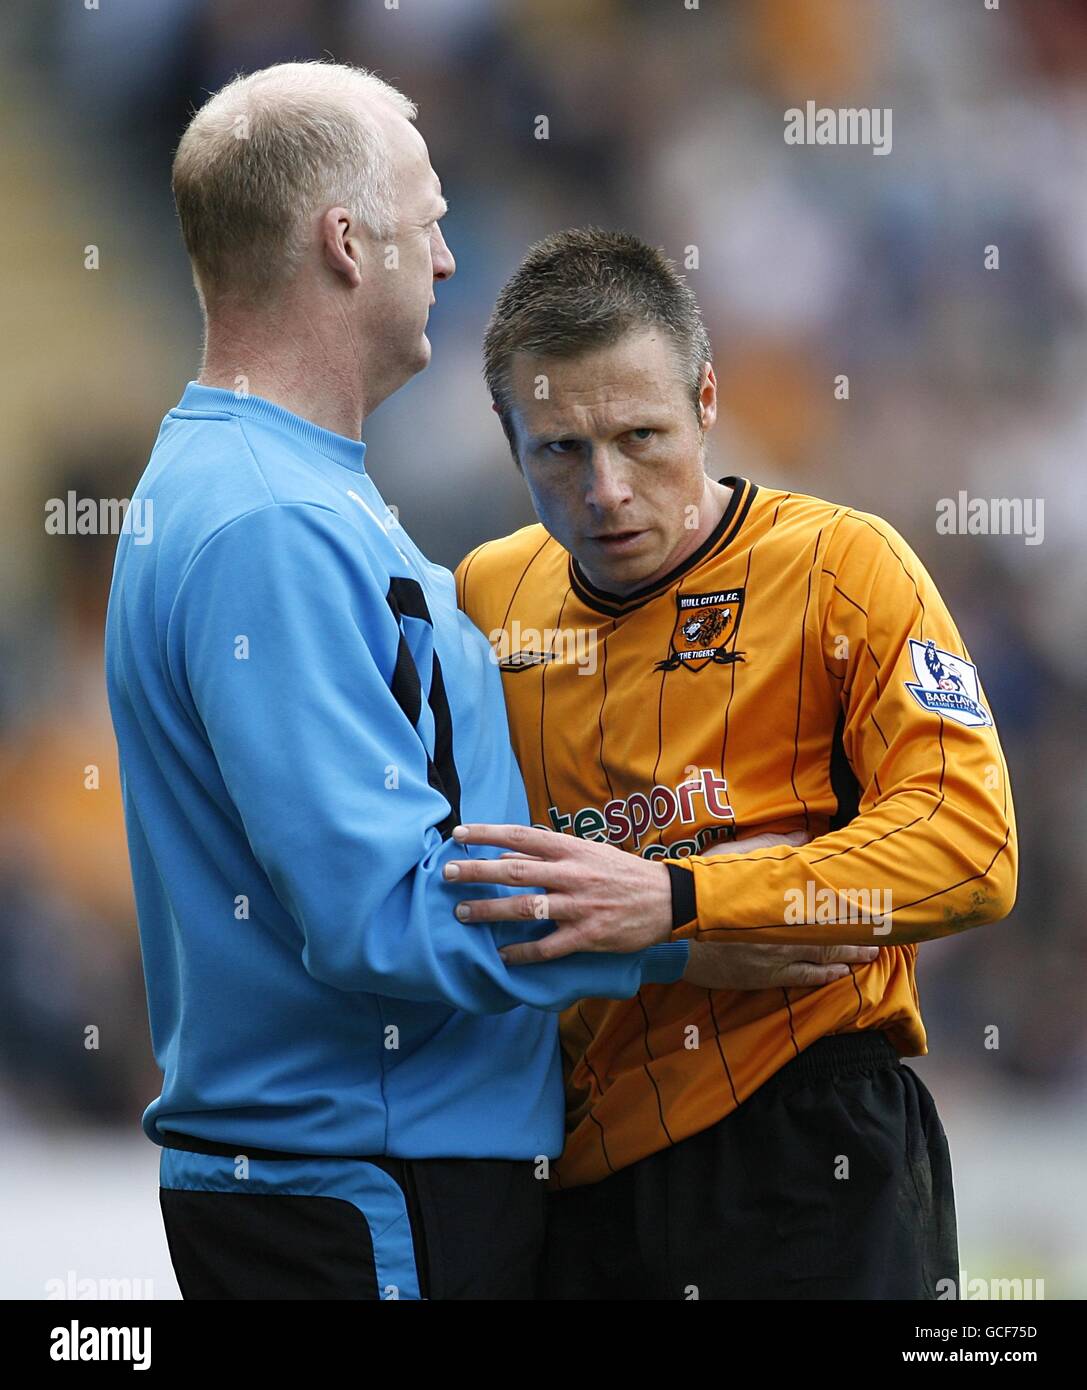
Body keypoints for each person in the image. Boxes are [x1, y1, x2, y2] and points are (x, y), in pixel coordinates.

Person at [104, 65, 703, 1302]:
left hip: (364, 1172)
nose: (443, 260)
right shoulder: (269, 521)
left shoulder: (278, 484)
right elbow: (375, 912)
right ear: (344, 243)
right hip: (369, 1181)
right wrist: (679, 926)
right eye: (430, 222)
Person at [451, 228, 1018, 1299]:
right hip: (582, 1175)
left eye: (641, 435)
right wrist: (677, 936)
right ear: (505, 432)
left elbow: (969, 845)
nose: (607, 490)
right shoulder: (485, 597)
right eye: (561, 450)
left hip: (812, 1144)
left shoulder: (843, 568)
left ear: (708, 398)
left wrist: (683, 898)